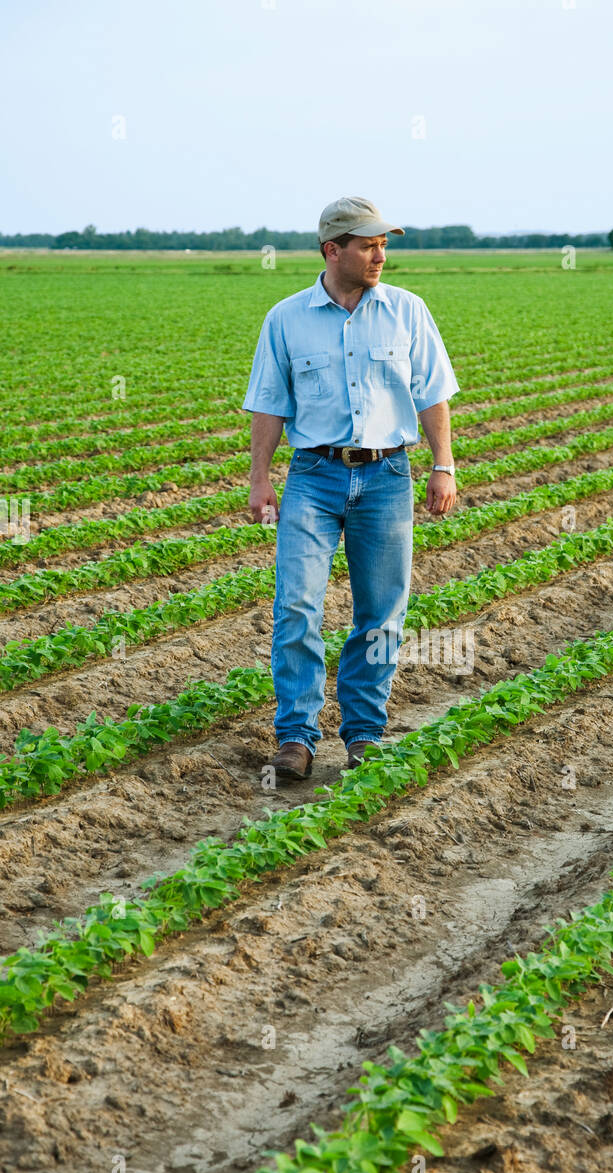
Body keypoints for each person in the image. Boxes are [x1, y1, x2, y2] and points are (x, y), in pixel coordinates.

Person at [243, 195, 460, 780]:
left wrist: (444, 465)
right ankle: (296, 737)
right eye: (368, 244)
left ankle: (364, 734)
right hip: (312, 477)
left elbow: (432, 393)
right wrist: (260, 479)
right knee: (296, 606)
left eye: (384, 243)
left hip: (387, 474)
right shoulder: (285, 318)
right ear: (331, 250)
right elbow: (269, 403)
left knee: (382, 613)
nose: (380, 254)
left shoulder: (408, 311)